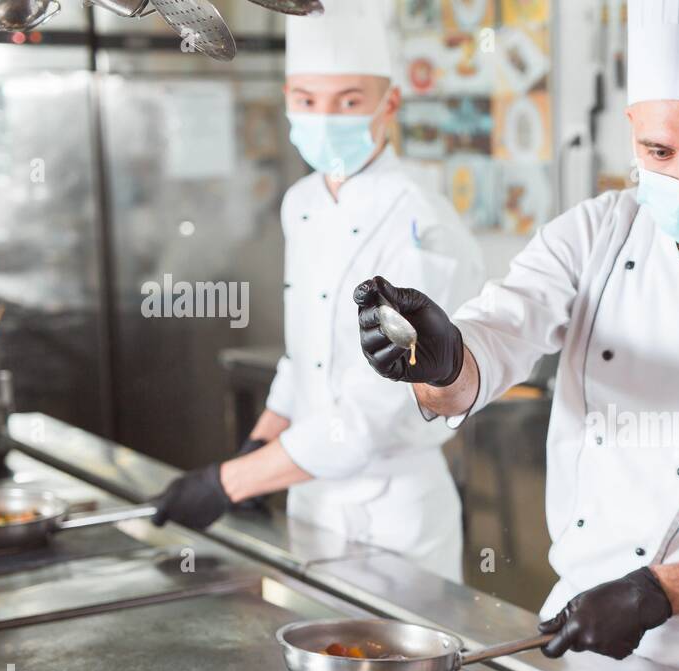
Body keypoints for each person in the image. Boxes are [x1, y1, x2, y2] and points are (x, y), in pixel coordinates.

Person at [355, 0, 679, 671]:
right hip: (579, 628)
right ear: (631, 134)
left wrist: (658, 592)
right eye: (658, 152)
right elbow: (504, 328)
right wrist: (444, 360)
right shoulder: (600, 232)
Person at [152, 0, 484, 581]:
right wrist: (256, 448)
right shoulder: (301, 202)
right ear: (287, 102)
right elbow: (304, 355)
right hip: (308, 493)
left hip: (392, 512)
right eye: (306, 100)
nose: (325, 118)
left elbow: (368, 414)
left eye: (349, 101)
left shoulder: (420, 225)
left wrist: (226, 484)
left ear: (390, 105)